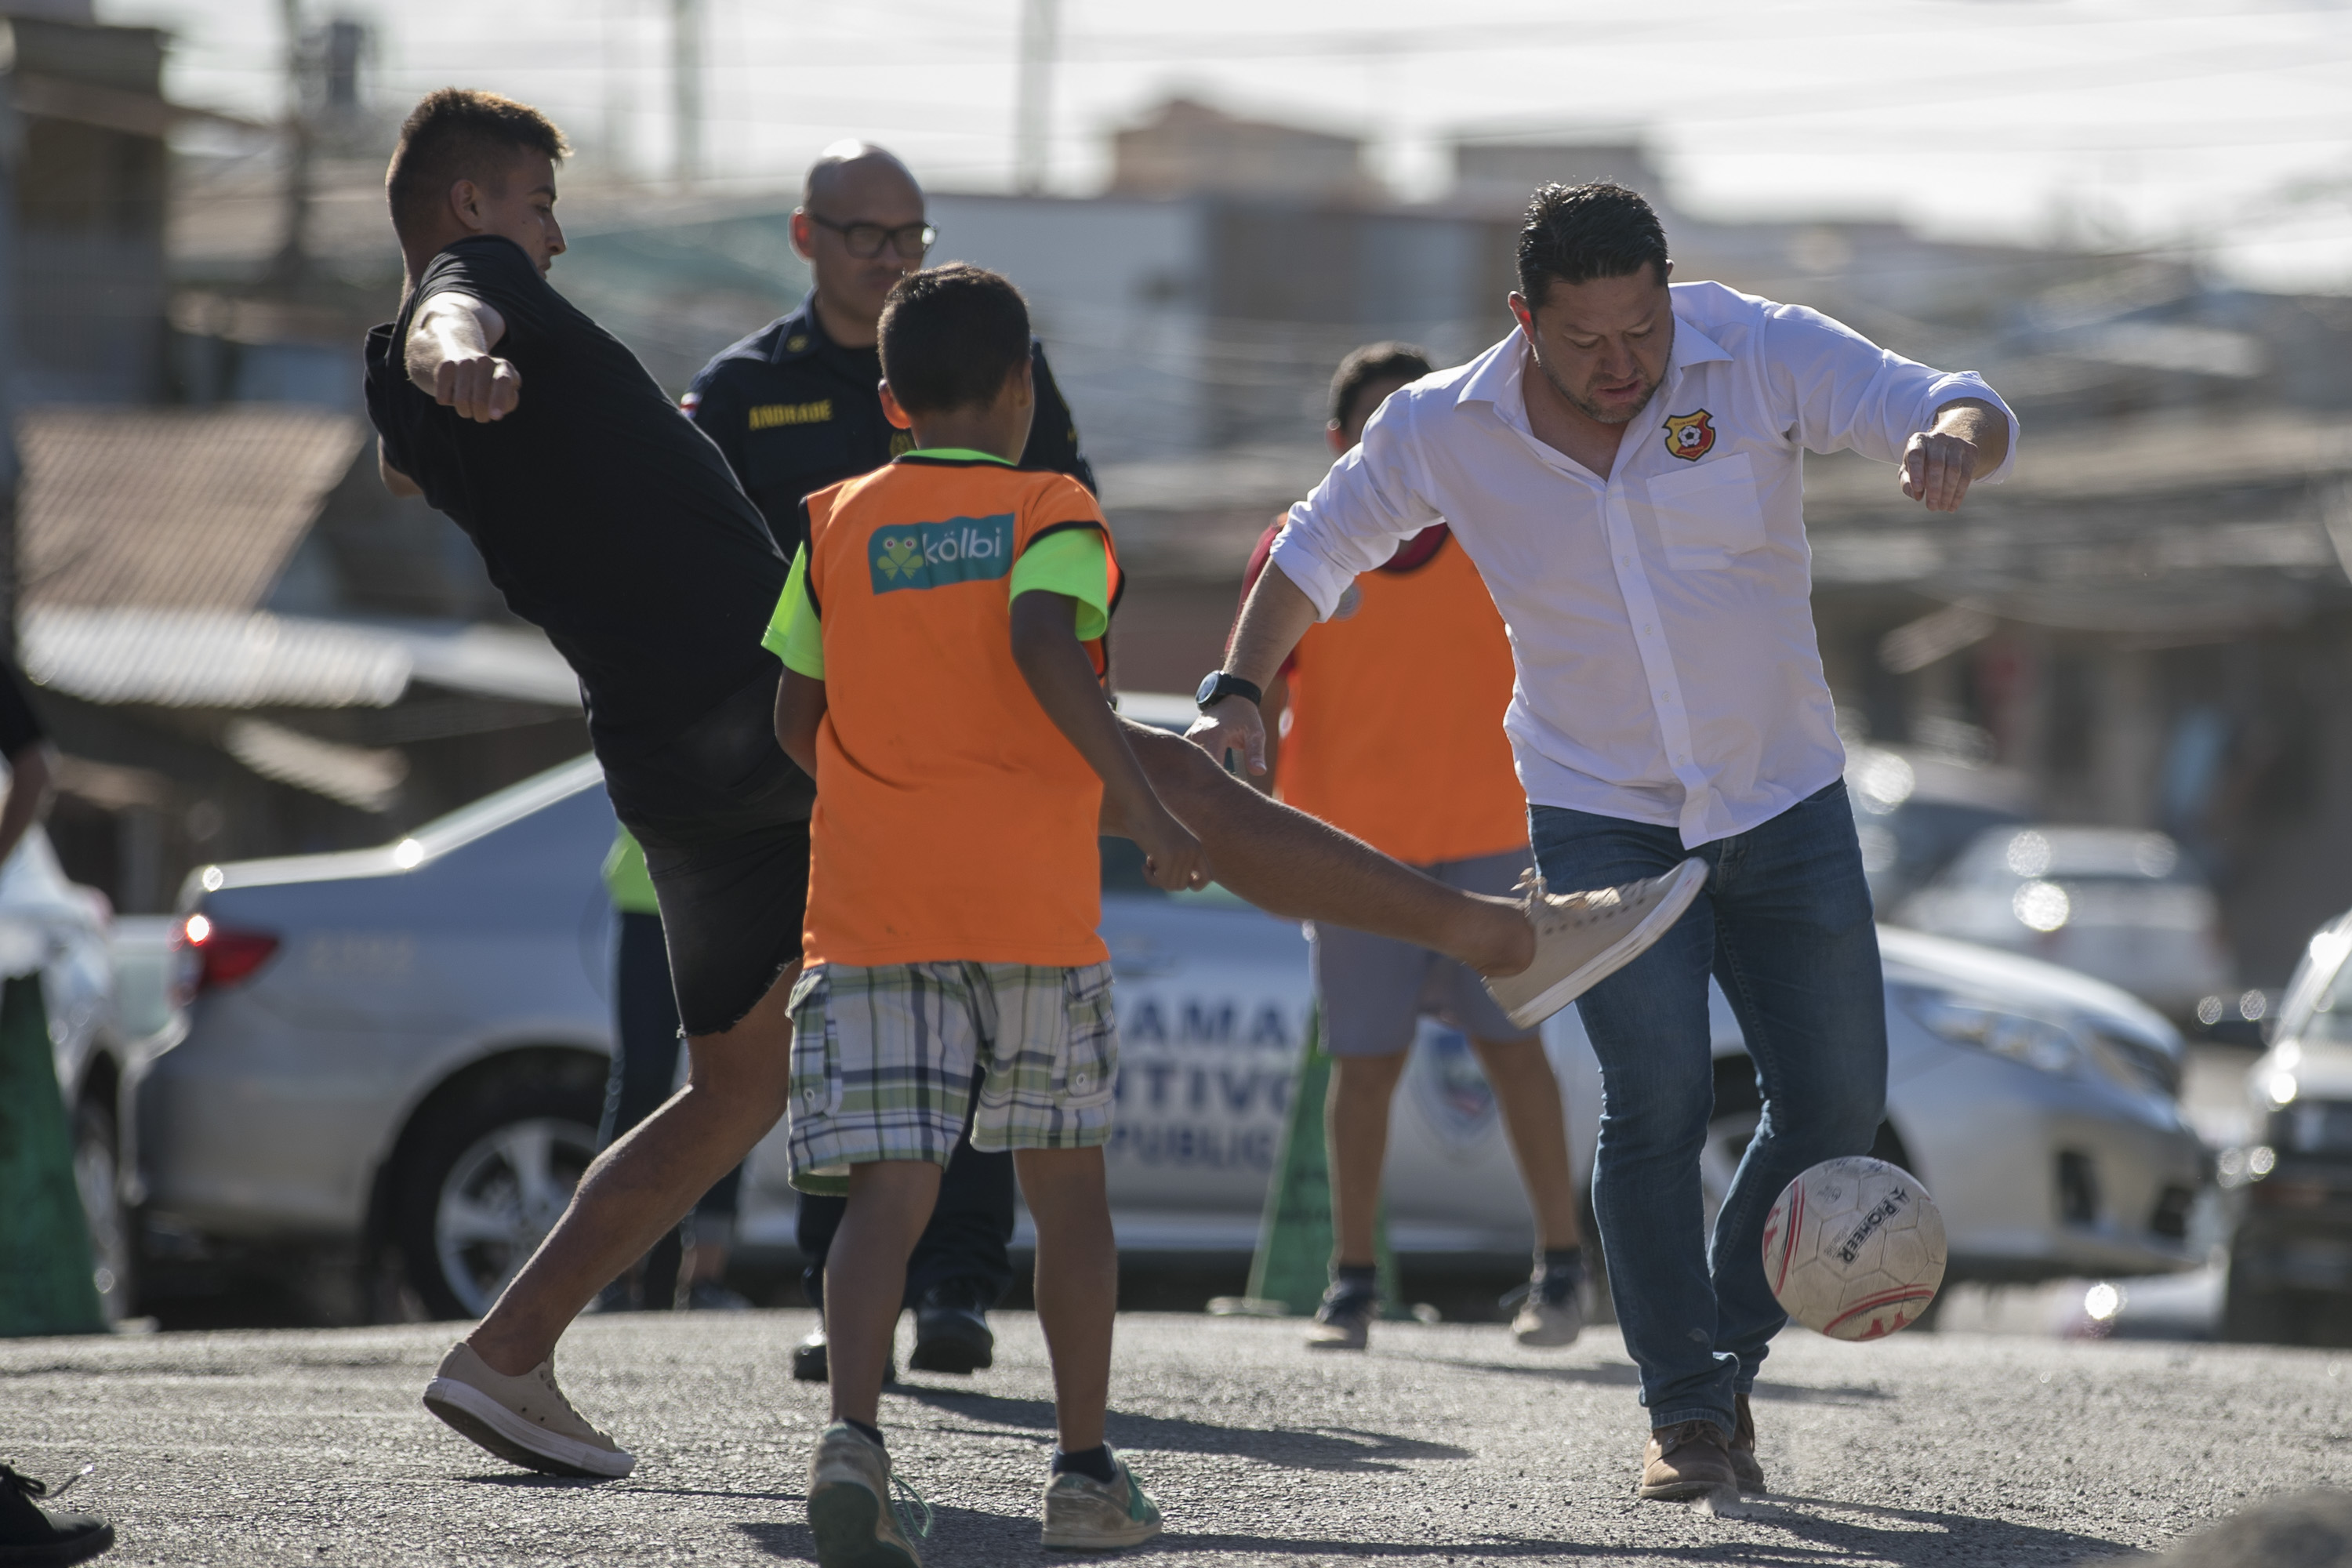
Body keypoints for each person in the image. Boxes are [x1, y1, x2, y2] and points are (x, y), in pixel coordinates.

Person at [363, 88, 1693, 1481]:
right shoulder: (472, 296)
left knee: (733, 1087)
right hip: (736, 694)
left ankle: (507, 1354)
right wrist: (472, 354)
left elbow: (408, 463)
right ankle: (1507, 939)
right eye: (535, 206)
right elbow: (463, 316)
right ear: (470, 209)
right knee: (1173, 779)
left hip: (662, 757)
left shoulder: (390, 371)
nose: (555, 238)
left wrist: (460, 404)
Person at [1192, 181, 2016, 1501]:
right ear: (1525, 320)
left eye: (1643, 331)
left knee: (1834, 1105)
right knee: (1657, 1102)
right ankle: (1686, 1411)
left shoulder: (1748, 349)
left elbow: (1950, 395)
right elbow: (1317, 540)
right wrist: (1238, 688)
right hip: (1597, 809)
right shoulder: (1442, 426)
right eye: (1587, 341)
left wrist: (1954, 442)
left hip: (1785, 794)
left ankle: (1719, 1354)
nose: (1624, 365)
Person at [771, 262, 1183, 1563]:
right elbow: (1046, 647)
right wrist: (1151, 808)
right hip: (1031, 906)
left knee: (887, 1197)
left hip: (876, 906)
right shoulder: (1053, 509)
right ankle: (1083, 1474)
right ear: (1022, 388)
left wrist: (892, 791)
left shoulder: (833, 521)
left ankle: (853, 1439)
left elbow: (794, 716)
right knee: (1069, 1201)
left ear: (891, 401)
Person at [681, 142, 1094, 1380]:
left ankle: (956, 1292)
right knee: (850, 1060)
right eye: (867, 234)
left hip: (943, 779)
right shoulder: (746, 389)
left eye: (909, 233)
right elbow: (702, 579)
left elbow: (1064, 534)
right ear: (807, 239)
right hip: (807, 773)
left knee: (949, 1044)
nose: (891, 255)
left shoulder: (996, 364)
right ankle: (841, 1302)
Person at [1238, 343, 1589, 1355]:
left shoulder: (1499, 532)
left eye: (1414, 424)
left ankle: (1560, 1272)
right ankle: (1351, 1284)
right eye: (1374, 428)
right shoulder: (1298, 551)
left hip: (1492, 843)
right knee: (1365, 1063)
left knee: (1516, 1055)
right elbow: (1251, 692)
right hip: (1352, 856)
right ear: (1343, 445)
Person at [594, 828, 746, 1312]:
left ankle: (705, 1278)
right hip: (650, 894)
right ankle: (612, 1272)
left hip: (738, 895)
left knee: (733, 1081)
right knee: (641, 1081)